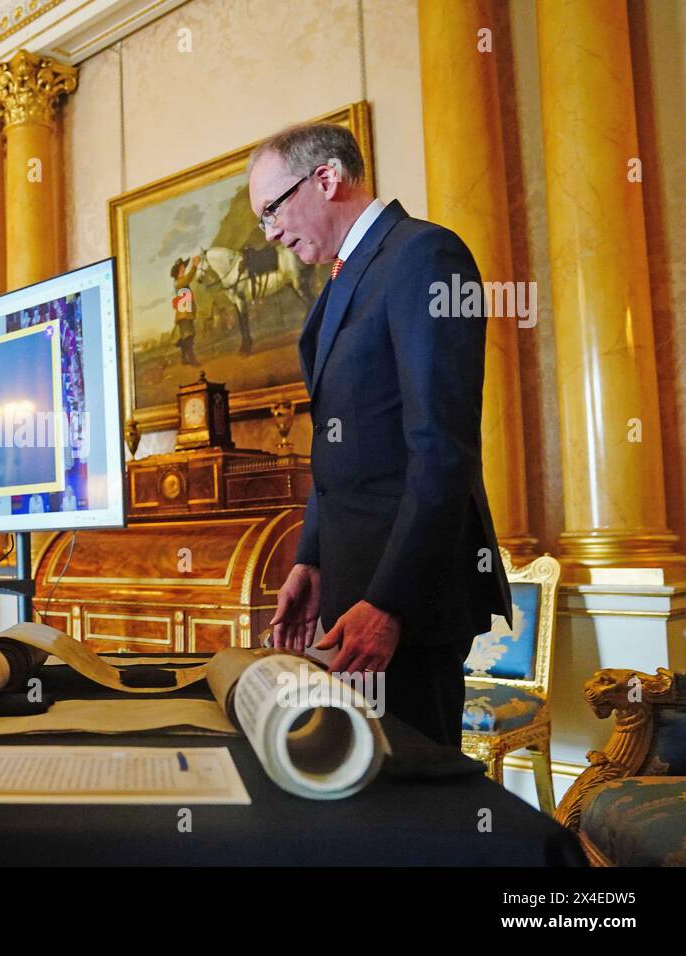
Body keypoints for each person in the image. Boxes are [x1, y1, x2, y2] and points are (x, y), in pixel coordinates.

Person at [249, 122, 511, 747]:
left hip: (406, 603)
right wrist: (310, 559)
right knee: (364, 792)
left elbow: (441, 451)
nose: (270, 234)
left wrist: (390, 602)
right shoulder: (345, 280)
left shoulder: (424, 256)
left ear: (327, 178)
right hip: (352, 587)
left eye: (271, 210)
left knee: (419, 808)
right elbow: (342, 449)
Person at [170, 255, 200, 365]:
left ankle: (184, 359)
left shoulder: (182, 281)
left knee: (186, 337)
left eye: (183, 267)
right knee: (189, 336)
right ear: (178, 270)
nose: (183, 269)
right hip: (184, 314)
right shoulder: (179, 282)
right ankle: (192, 359)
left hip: (187, 313)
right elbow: (188, 278)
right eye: (181, 267)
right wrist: (195, 266)